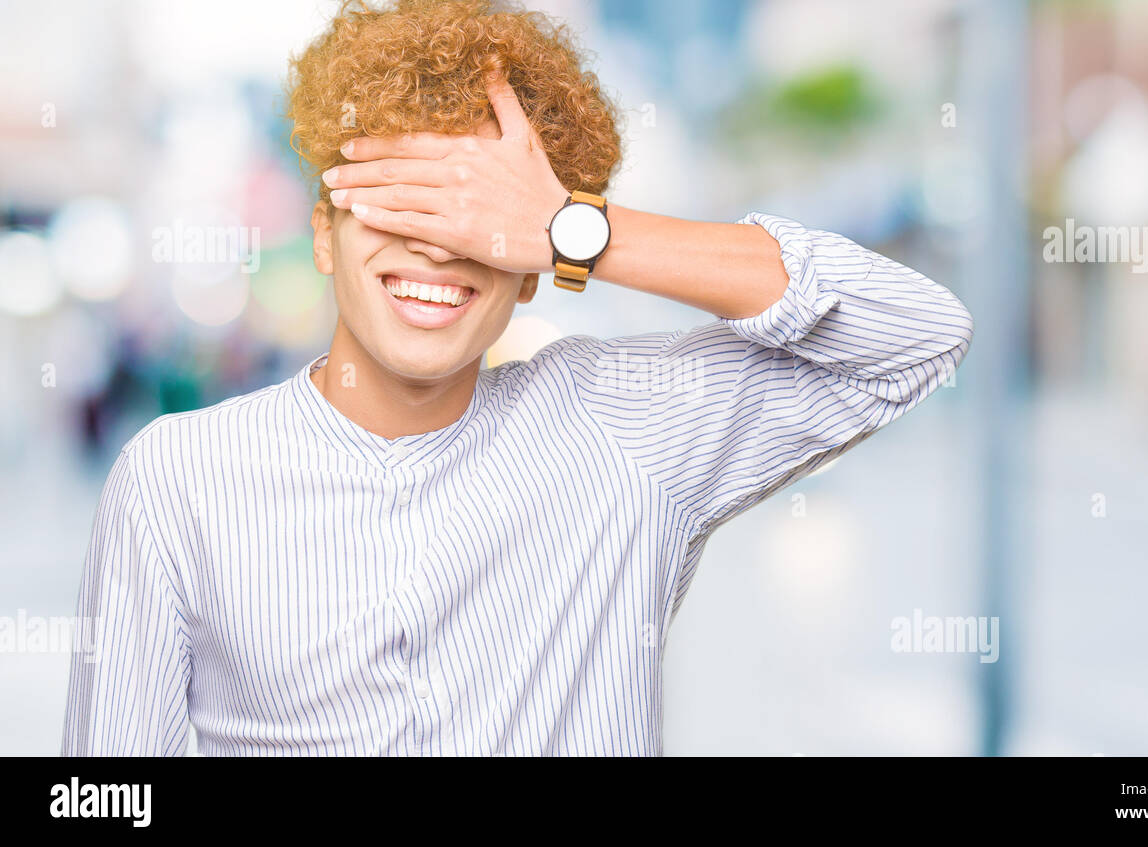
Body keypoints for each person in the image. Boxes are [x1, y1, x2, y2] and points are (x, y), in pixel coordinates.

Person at [62, 0, 973, 755]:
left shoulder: (624, 431)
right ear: (322, 234)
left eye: (479, 217)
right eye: (399, 200)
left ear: (533, 263)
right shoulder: (176, 479)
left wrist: (584, 229)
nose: (437, 243)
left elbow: (918, 334)